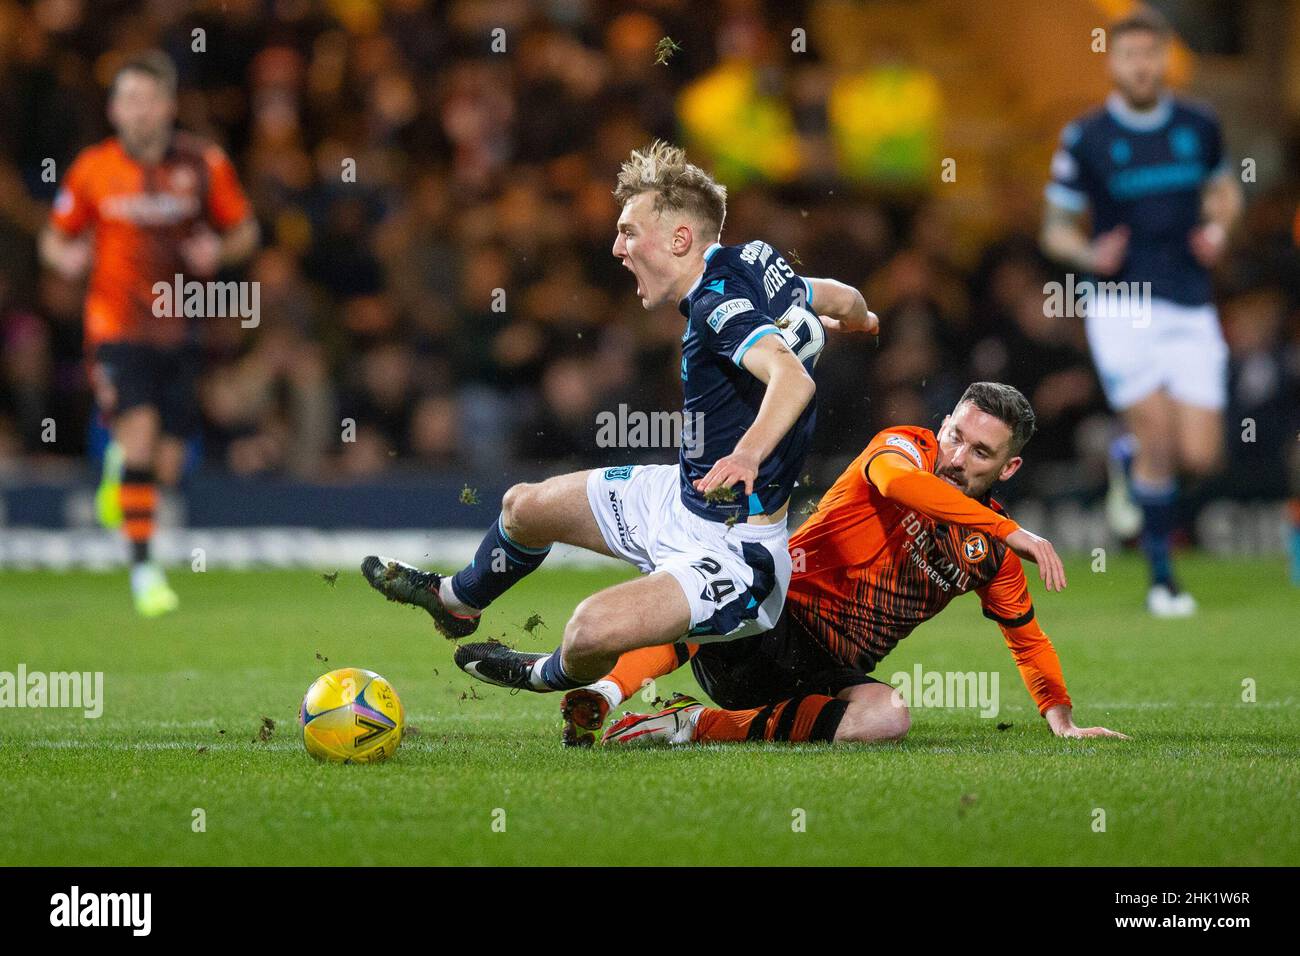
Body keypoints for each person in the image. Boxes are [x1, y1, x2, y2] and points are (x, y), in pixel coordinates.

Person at [362, 140, 877, 692]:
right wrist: (863, 317)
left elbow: (790, 378)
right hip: (679, 497)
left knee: (588, 630)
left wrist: (748, 452)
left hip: (735, 552)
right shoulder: (753, 259)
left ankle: (541, 673)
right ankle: (455, 602)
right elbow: (832, 295)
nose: (616, 247)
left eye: (629, 231)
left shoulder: (716, 306)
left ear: (680, 238)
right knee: (523, 506)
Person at [563, 383, 1126, 746]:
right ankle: (605, 695)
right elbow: (897, 484)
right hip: (770, 619)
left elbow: (1025, 637)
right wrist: (1008, 527)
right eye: (956, 435)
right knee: (728, 593)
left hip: (819, 675)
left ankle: (692, 726)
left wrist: (1061, 717)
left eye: (980, 453)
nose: (956, 458)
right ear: (944, 423)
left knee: (890, 717)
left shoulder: (990, 557)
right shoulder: (903, 447)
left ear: (1008, 468)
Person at [40, 51, 259, 616]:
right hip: (116, 326)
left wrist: (219, 248)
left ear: (169, 106)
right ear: (114, 110)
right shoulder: (93, 169)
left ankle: (121, 478)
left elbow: (244, 231)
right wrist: (65, 257)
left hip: (182, 325)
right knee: (139, 435)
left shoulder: (203, 163)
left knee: (166, 459)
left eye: (149, 99)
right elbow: (55, 237)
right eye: (128, 100)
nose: (139, 111)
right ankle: (143, 572)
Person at [1040, 6, 1242, 617]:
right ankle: (1163, 579)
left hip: (1190, 302)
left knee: (1202, 455)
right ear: (1114, 61)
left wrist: (1220, 228)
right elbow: (1055, 226)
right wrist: (1089, 250)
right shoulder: (1087, 136)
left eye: (1151, 54)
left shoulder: (1199, 123)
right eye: (1129, 54)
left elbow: (1225, 189)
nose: (1141, 65)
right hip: (1121, 303)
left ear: (1164, 58)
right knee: (1157, 432)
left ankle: (1126, 462)